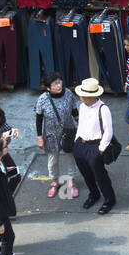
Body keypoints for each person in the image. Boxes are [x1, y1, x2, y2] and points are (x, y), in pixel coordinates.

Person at [73, 77, 116, 214]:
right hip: (81, 144)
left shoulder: (103, 109)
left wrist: (101, 149)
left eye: (83, 95)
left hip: (95, 146)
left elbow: (108, 131)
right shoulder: (82, 106)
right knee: (86, 173)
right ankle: (94, 194)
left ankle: (109, 199)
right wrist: (76, 141)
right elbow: (81, 125)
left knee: (100, 175)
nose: (80, 97)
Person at [35, 72, 78, 200]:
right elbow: (38, 119)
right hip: (50, 135)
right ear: (48, 88)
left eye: (59, 82)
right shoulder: (43, 99)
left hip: (68, 131)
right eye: (55, 84)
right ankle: (55, 181)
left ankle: (71, 180)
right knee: (52, 160)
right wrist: (39, 138)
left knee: (70, 157)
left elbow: (75, 111)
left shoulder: (69, 94)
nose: (59, 86)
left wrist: (81, 127)